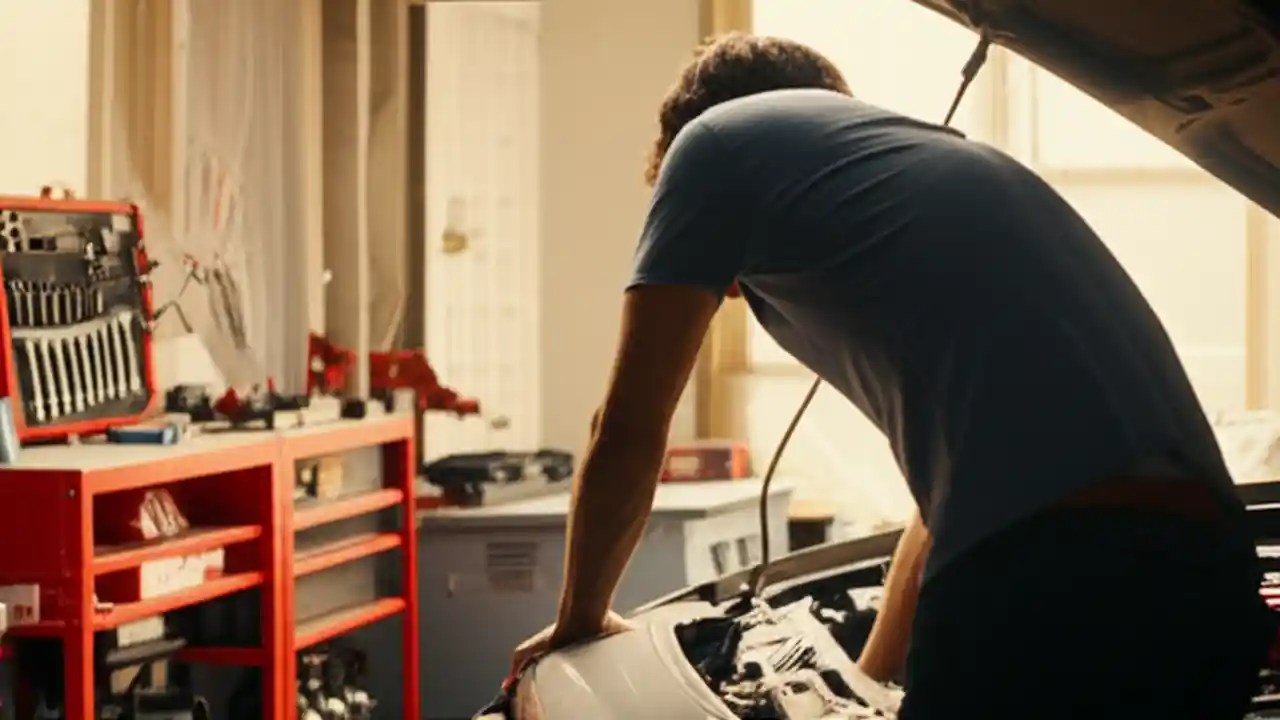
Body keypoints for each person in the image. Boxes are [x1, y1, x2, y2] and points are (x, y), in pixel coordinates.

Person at [511, 33, 1273, 717]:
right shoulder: (946, 166)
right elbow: (942, 501)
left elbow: (629, 424)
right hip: (1210, 585)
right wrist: (874, 680)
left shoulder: (712, 144)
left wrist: (580, 619)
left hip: (1050, 584)